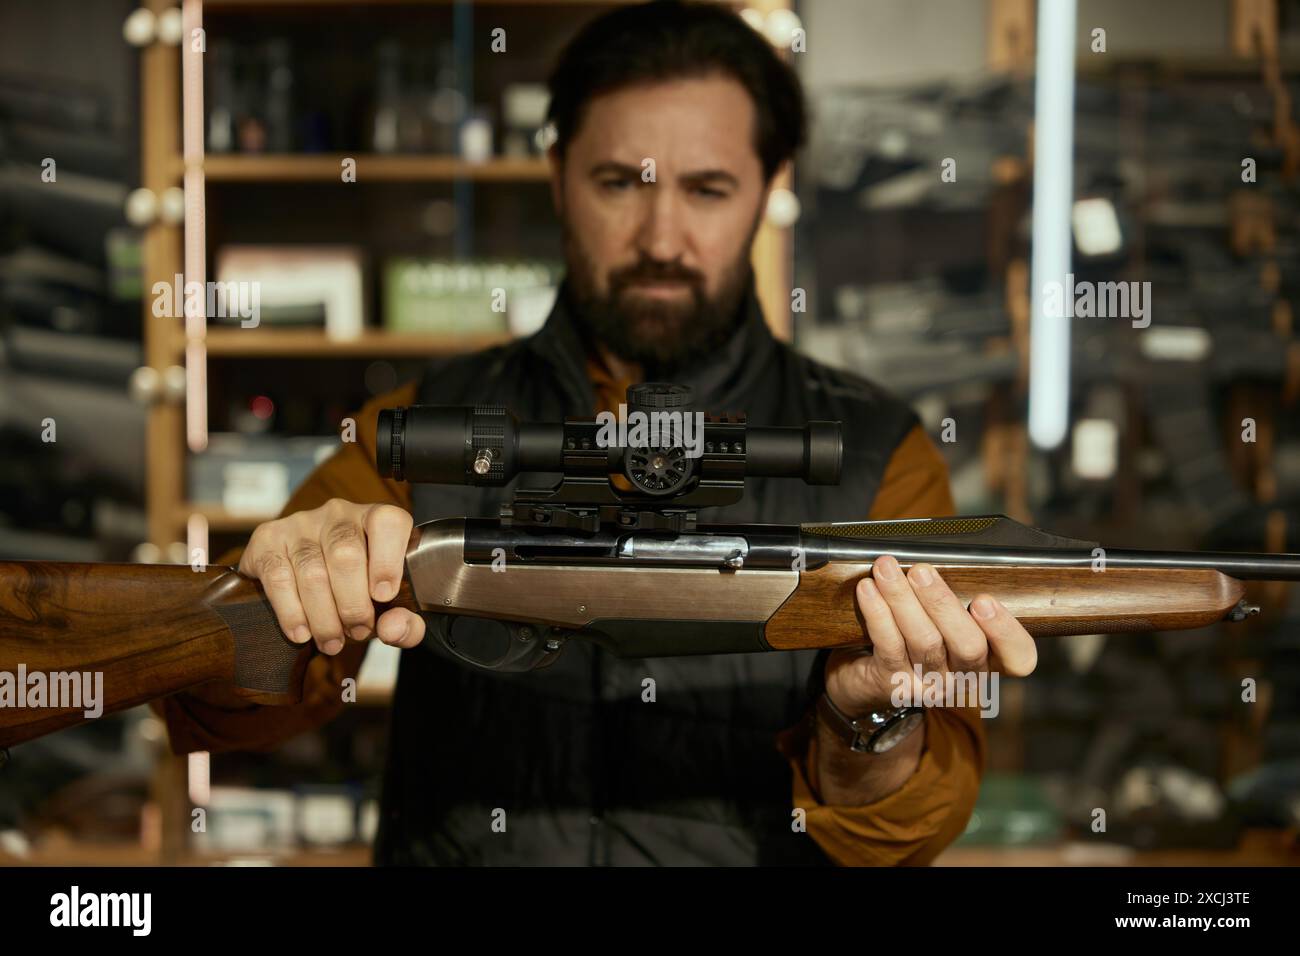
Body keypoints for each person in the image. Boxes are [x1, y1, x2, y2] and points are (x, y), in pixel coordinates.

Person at [153, 0, 1038, 866]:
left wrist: (867, 717)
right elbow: (225, 709)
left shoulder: (879, 452)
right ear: (557, 177)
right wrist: (298, 582)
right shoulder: (420, 432)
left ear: (769, 190)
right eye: (621, 183)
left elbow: (903, 836)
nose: (662, 236)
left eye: (708, 189)